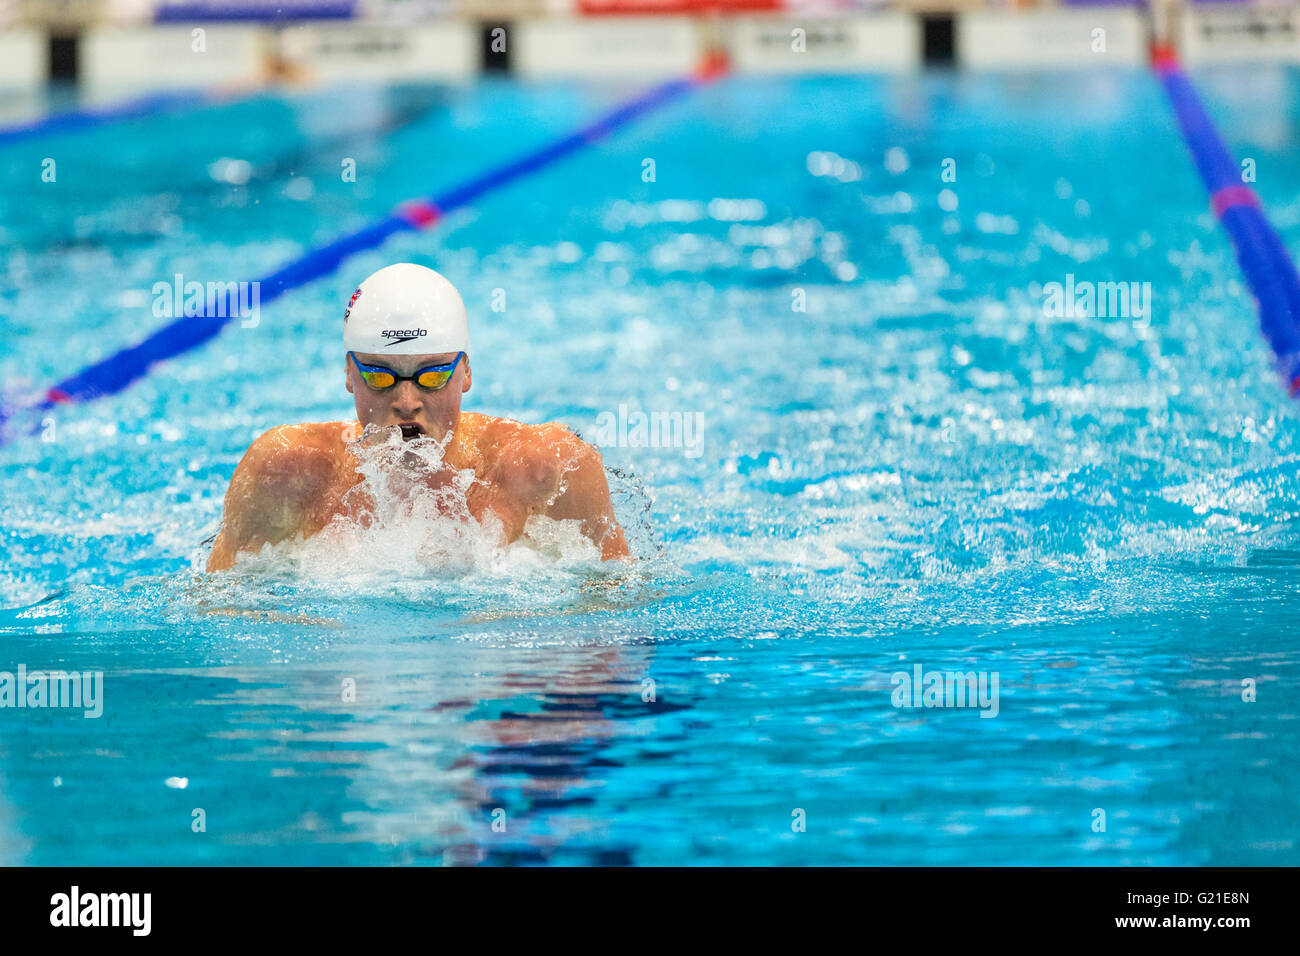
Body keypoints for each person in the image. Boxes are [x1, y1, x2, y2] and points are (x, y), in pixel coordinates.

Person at [206, 263, 629, 571]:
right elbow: (222, 611)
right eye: (379, 374)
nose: (406, 400)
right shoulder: (285, 472)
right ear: (349, 375)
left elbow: (619, 613)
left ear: (465, 372)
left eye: (431, 375)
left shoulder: (546, 469)